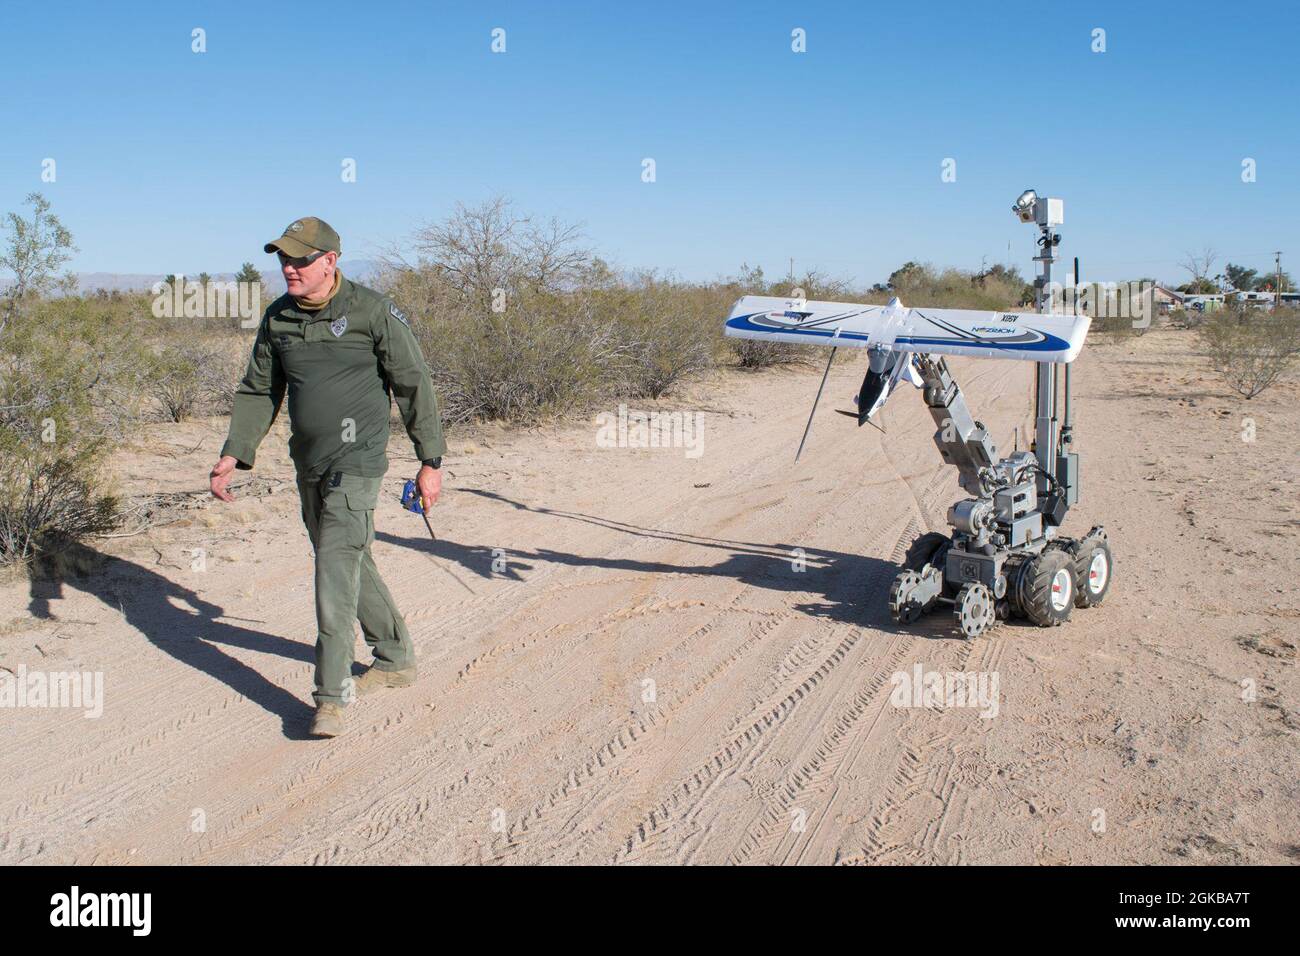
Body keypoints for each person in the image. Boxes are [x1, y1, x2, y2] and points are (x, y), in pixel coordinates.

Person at [208, 217, 445, 737]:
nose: (288, 268)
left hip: (358, 463)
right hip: (308, 462)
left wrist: (430, 459)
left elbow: (412, 383)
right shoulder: (279, 319)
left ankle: (330, 696)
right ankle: (396, 655)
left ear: (330, 261)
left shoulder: (372, 311)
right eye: (283, 259)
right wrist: (235, 452)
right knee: (347, 558)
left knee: (333, 567)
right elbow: (259, 389)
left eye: (299, 259)